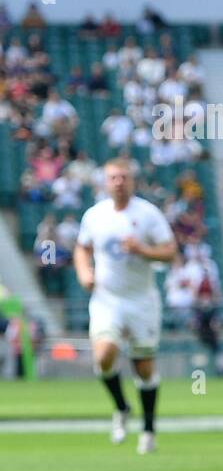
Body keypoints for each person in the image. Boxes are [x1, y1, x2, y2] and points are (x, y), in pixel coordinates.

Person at [72, 159, 178, 454]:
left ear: (133, 181)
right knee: (104, 356)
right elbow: (82, 248)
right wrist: (84, 272)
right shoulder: (95, 215)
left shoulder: (148, 214)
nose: (119, 182)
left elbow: (170, 252)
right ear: (105, 183)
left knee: (143, 367)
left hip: (142, 300)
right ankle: (121, 407)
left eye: (124, 177)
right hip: (107, 300)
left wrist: (143, 250)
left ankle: (148, 430)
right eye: (113, 177)